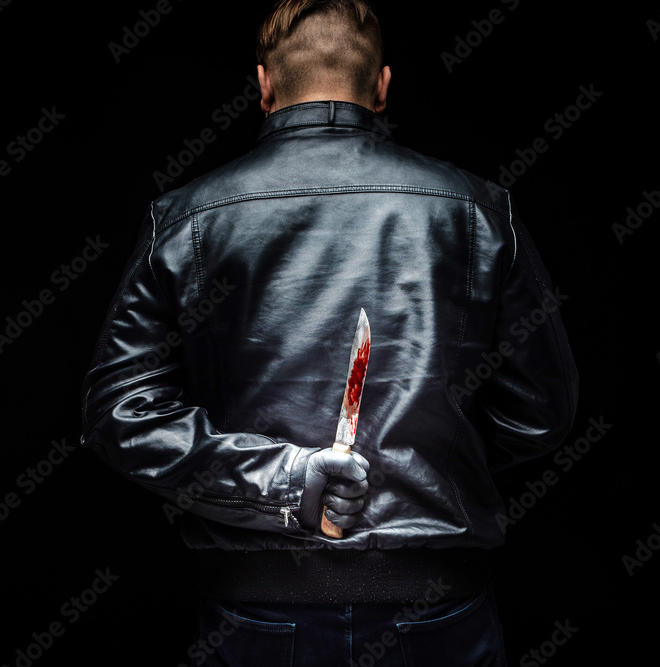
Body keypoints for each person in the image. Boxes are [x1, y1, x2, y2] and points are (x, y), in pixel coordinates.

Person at [80, 0, 578, 664]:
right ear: (381, 86)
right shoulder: (478, 211)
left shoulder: (186, 218)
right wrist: (430, 460)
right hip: (439, 608)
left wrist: (277, 478)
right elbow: (542, 409)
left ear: (263, 87)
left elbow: (119, 415)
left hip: (256, 610)